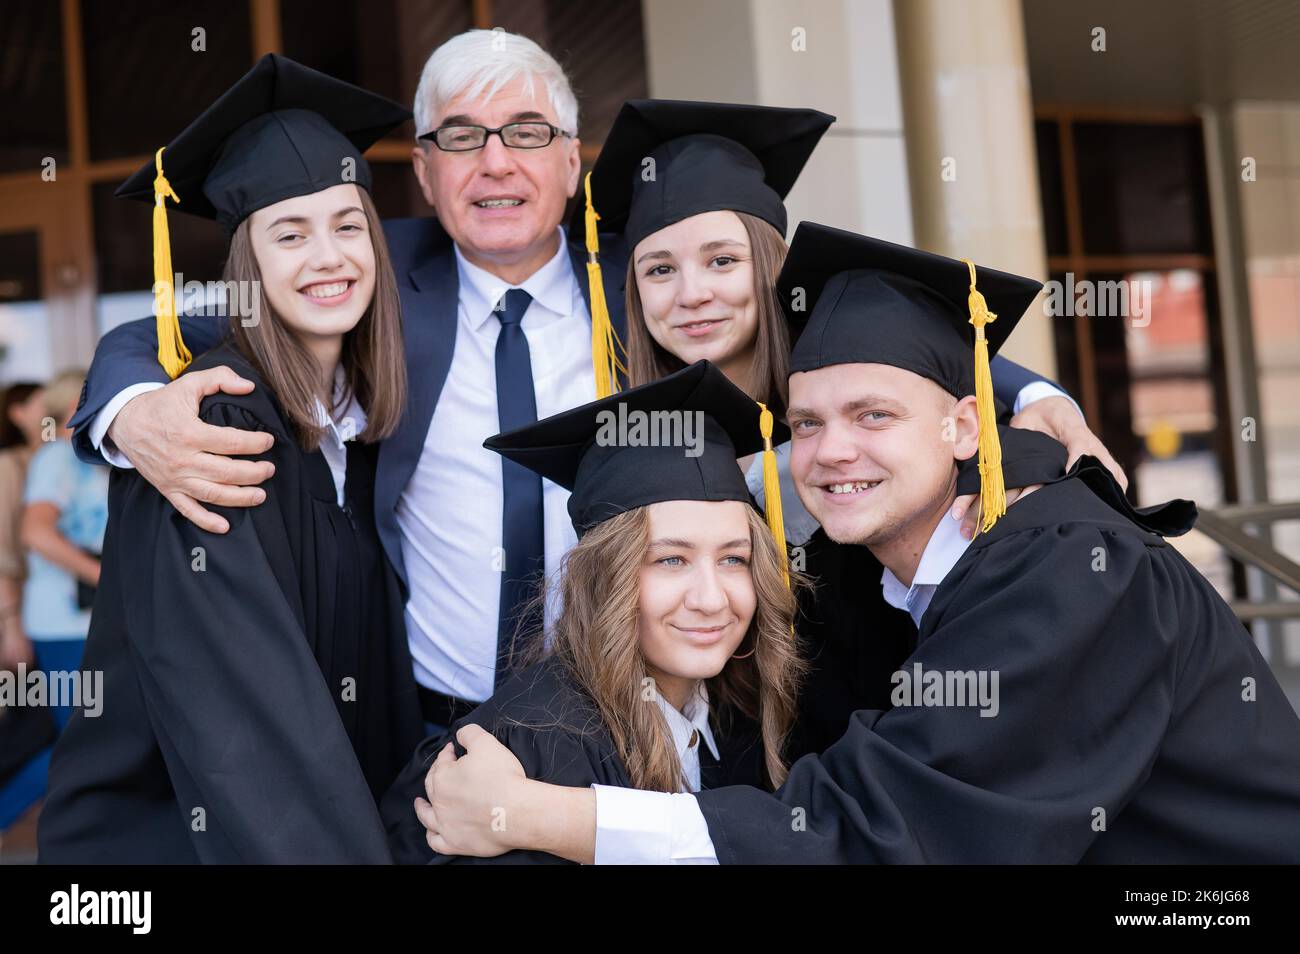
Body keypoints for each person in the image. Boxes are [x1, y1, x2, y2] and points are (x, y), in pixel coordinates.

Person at [412, 223, 1300, 864]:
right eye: (808, 423)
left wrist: (540, 816)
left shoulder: (1069, 572)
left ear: (962, 428)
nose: (833, 451)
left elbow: (877, 830)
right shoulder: (874, 581)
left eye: (874, 416)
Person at [65, 29, 628, 732]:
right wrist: (131, 408)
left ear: (572, 160)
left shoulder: (644, 294)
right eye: (459, 137)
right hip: (432, 724)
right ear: (423, 171)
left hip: (618, 719)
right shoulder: (369, 268)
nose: (495, 163)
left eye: (526, 132)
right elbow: (182, 330)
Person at [584, 98, 1124, 756]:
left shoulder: (854, 369)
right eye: (659, 269)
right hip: (747, 753)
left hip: (908, 734)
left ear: (770, 264)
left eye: (722, 261)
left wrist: (1045, 404)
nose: (691, 292)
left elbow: (958, 370)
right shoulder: (648, 440)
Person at [38, 55, 423, 863]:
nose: (329, 256)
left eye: (348, 225)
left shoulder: (351, 433)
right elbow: (241, 720)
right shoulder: (209, 432)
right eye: (291, 234)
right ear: (247, 264)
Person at [384, 361, 804, 863]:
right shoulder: (527, 758)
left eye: (733, 558)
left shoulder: (729, 708)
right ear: (603, 578)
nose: (711, 598)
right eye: (671, 559)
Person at [0, 373, 102, 830]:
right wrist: (105, 575)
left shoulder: (93, 456)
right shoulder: (58, 457)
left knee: (87, 736)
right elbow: (34, 534)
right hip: (62, 625)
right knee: (78, 740)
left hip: (91, 622)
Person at [0, 381, 45, 671]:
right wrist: (12, 623)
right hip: (23, 608)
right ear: (18, 414)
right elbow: (3, 550)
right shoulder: (9, 465)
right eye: (45, 405)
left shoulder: (61, 458)